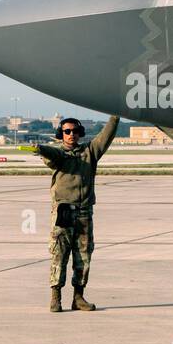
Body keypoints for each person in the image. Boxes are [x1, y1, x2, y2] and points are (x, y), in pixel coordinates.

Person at [36, 115, 119, 312]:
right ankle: (55, 297)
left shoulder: (90, 152)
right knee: (59, 253)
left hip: (84, 212)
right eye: (67, 131)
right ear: (61, 135)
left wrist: (115, 116)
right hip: (64, 210)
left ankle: (78, 297)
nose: (71, 134)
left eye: (74, 131)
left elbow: (105, 137)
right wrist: (39, 149)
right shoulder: (59, 155)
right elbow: (51, 155)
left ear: (79, 133)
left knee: (83, 255)